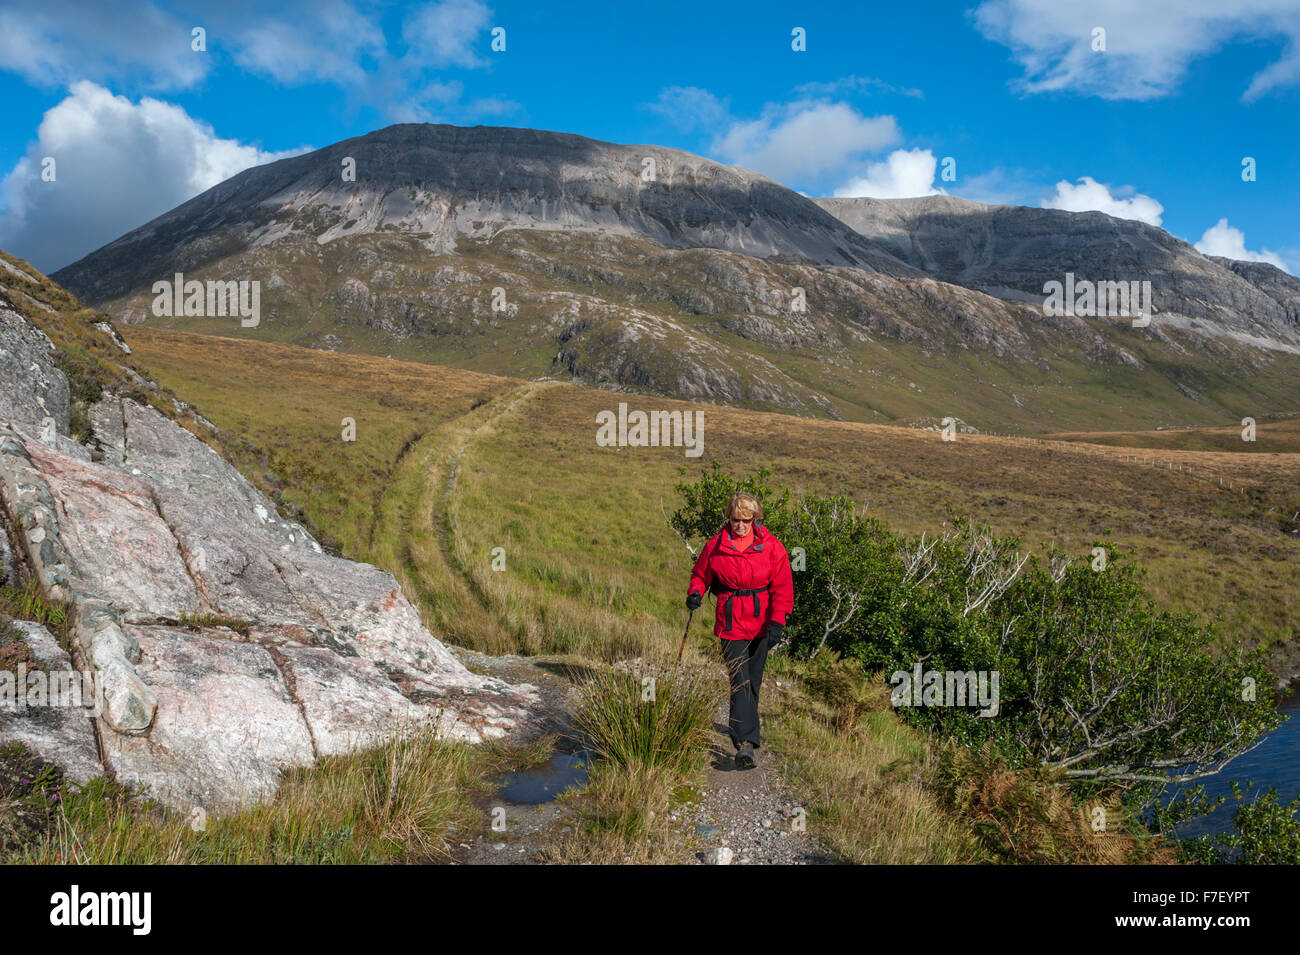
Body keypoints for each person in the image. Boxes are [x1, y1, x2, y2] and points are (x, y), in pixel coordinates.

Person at [685, 492, 793, 770]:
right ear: (729, 518)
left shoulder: (771, 546)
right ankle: (745, 745)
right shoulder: (716, 546)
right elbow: (700, 574)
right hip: (731, 621)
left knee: (753, 680)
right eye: (735, 519)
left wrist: (778, 622)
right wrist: (695, 592)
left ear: (754, 518)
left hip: (762, 622)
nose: (740, 525)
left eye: (746, 520)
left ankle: (746, 733)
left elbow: (782, 586)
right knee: (740, 680)